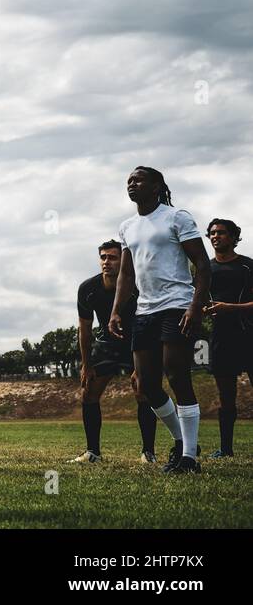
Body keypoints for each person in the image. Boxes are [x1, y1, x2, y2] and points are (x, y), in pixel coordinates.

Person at [108, 167, 210, 474]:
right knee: (148, 386)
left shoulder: (177, 217)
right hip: (145, 311)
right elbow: (126, 274)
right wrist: (116, 310)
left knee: (178, 376)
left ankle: (190, 459)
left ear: (156, 186)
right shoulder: (127, 226)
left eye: (138, 180)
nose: (131, 184)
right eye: (128, 181)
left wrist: (195, 307)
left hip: (177, 306)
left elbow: (203, 265)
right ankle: (181, 443)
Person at [68, 240, 158, 463]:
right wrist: (86, 365)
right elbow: (85, 330)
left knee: (142, 391)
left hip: (136, 343)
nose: (106, 261)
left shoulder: (137, 286)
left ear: (123, 260)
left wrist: (140, 366)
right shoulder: (88, 289)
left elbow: (148, 323)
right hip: (106, 345)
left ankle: (148, 453)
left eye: (112, 257)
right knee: (88, 393)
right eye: (103, 257)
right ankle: (92, 453)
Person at [204, 218, 253, 458]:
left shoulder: (248, 266)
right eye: (212, 233)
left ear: (234, 237)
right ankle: (225, 449)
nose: (216, 236)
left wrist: (230, 307)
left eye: (222, 233)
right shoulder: (205, 269)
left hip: (249, 334)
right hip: (221, 337)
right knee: (226, 398)